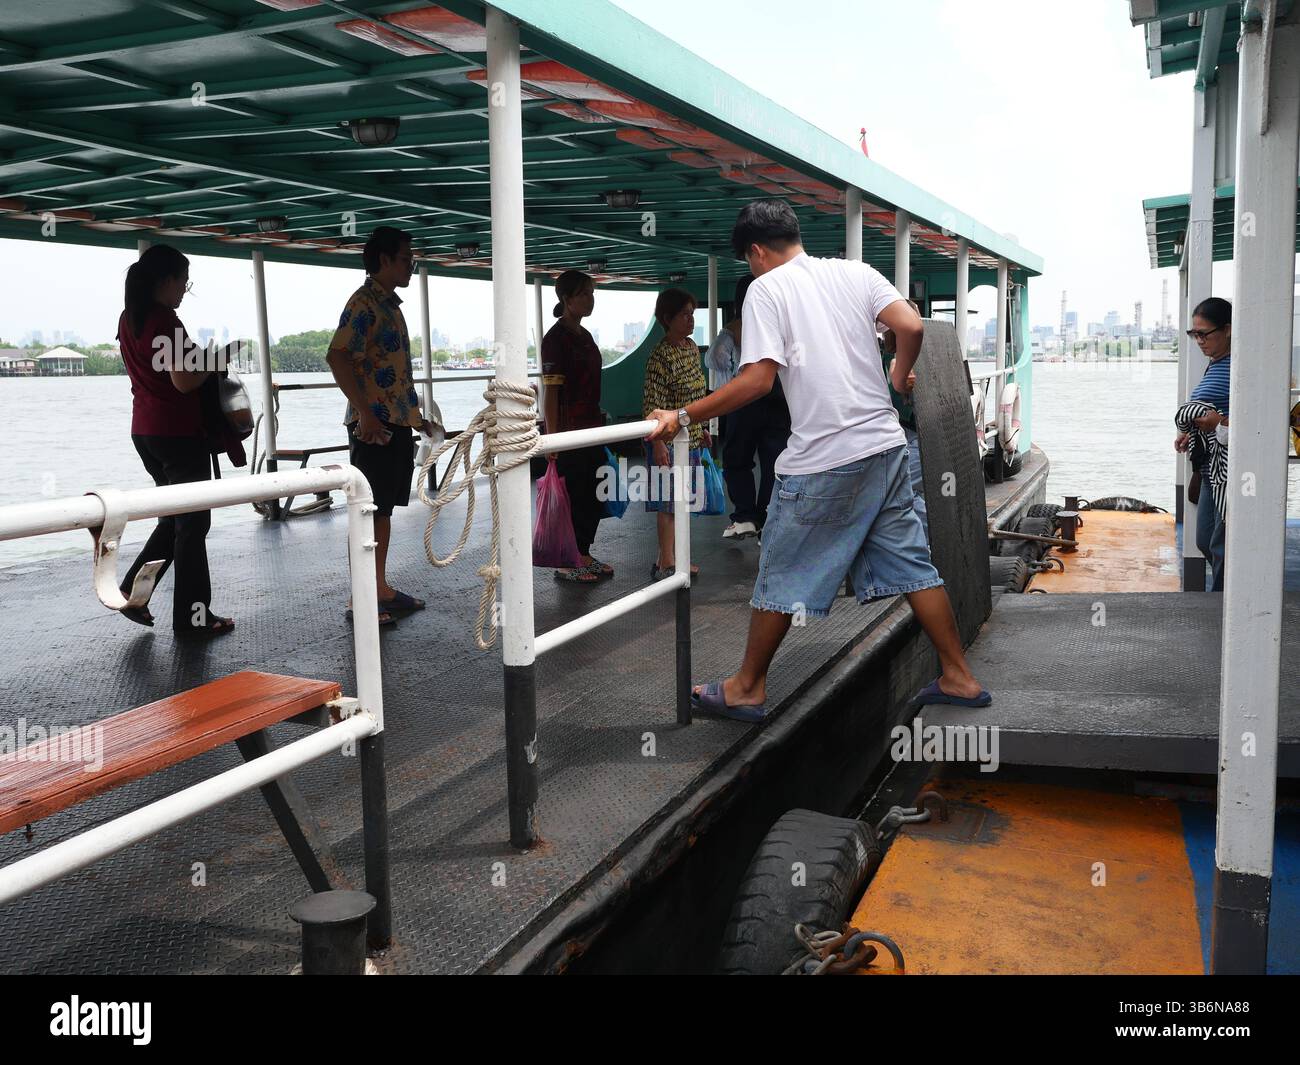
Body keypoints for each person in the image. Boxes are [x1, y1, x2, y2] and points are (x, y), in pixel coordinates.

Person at [646, 199, 988, 722]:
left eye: (749, 260)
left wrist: (682, 415)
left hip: (824, 458)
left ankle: (746, 687)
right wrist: (898, 376)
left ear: (757, 251)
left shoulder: (766, 288)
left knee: (780, 572)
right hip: (884, 447)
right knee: (914, 566)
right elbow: (911, 326)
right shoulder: (855, 272)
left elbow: (758, 379)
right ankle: (959, 677)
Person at [116, 244, 233, 637]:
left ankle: (134, 593)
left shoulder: (129, 319)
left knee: (173, 519)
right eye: (184, 281)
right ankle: (194, 618)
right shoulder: (166, 322)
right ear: (165, 281)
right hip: (178, 434)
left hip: (146, 432)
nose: (185, 289)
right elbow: (184, 381)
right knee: (193, 525)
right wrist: (213, 361)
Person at [326, 225, 436, 625]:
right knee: (367, 511)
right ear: (385, 260)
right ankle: (362, 598)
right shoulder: (364, 304)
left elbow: (389, 368)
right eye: (406, 258)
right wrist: (367, 413)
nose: (411, 264)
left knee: (383, 509)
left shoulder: (390, 305)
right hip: (373, 425)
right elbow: (338, 356)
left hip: (395, 421)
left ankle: (380, 587)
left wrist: (416, 417)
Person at [541, 270, 613, 584]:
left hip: (592, 427)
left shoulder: (584, 336)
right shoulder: (555, 340)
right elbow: (551, 392)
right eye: (584, 294)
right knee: (572, 494)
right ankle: (566, 560)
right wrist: (552, 439)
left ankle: (582, 552)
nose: (590, 299)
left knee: (593, 492)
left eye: (592, 293)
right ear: (566, 299)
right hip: (569, 430)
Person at [709, 274, 791, 540]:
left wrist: (732, 330)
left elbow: (715, 360)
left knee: (736, 459)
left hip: (744, 399)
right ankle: (768, 518)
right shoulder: (782, 323)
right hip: (779, 399)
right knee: (775, 462)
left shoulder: (735, 331)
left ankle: (745, 516)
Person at [643, 287, 710, 578]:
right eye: (684, 315)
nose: (690, 321)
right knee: (669, 503)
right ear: (667, 318)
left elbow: (697, 391)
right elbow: (652, 403)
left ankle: (668, 557)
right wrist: (658, 445)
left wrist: (703, 427)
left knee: (682, 502)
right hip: (669, 442)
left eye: (692, 314)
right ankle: (669, 561)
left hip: (690, 437)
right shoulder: (661, 356)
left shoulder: (691, 348)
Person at [1174, 296, 1231, 591]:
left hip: (1229, 472)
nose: (1199, 341)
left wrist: (1219, 422)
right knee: (1204, 538)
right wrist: (1192, 433)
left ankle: (1224, 601)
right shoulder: (1215, 364)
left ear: (1228, 329)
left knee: (1221, 544)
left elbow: (1254, 417)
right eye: (1194, 334)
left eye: (1204, 334)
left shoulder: (1240, 366)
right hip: (1210, 468)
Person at [881, 299, 927, 540]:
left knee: (902, 487)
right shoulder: (880, 353)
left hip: (916, 436)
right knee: (903, 489)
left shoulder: (908, 357)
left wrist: (900, 377)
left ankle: (925, 544)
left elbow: (902, 378)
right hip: (898, 435)